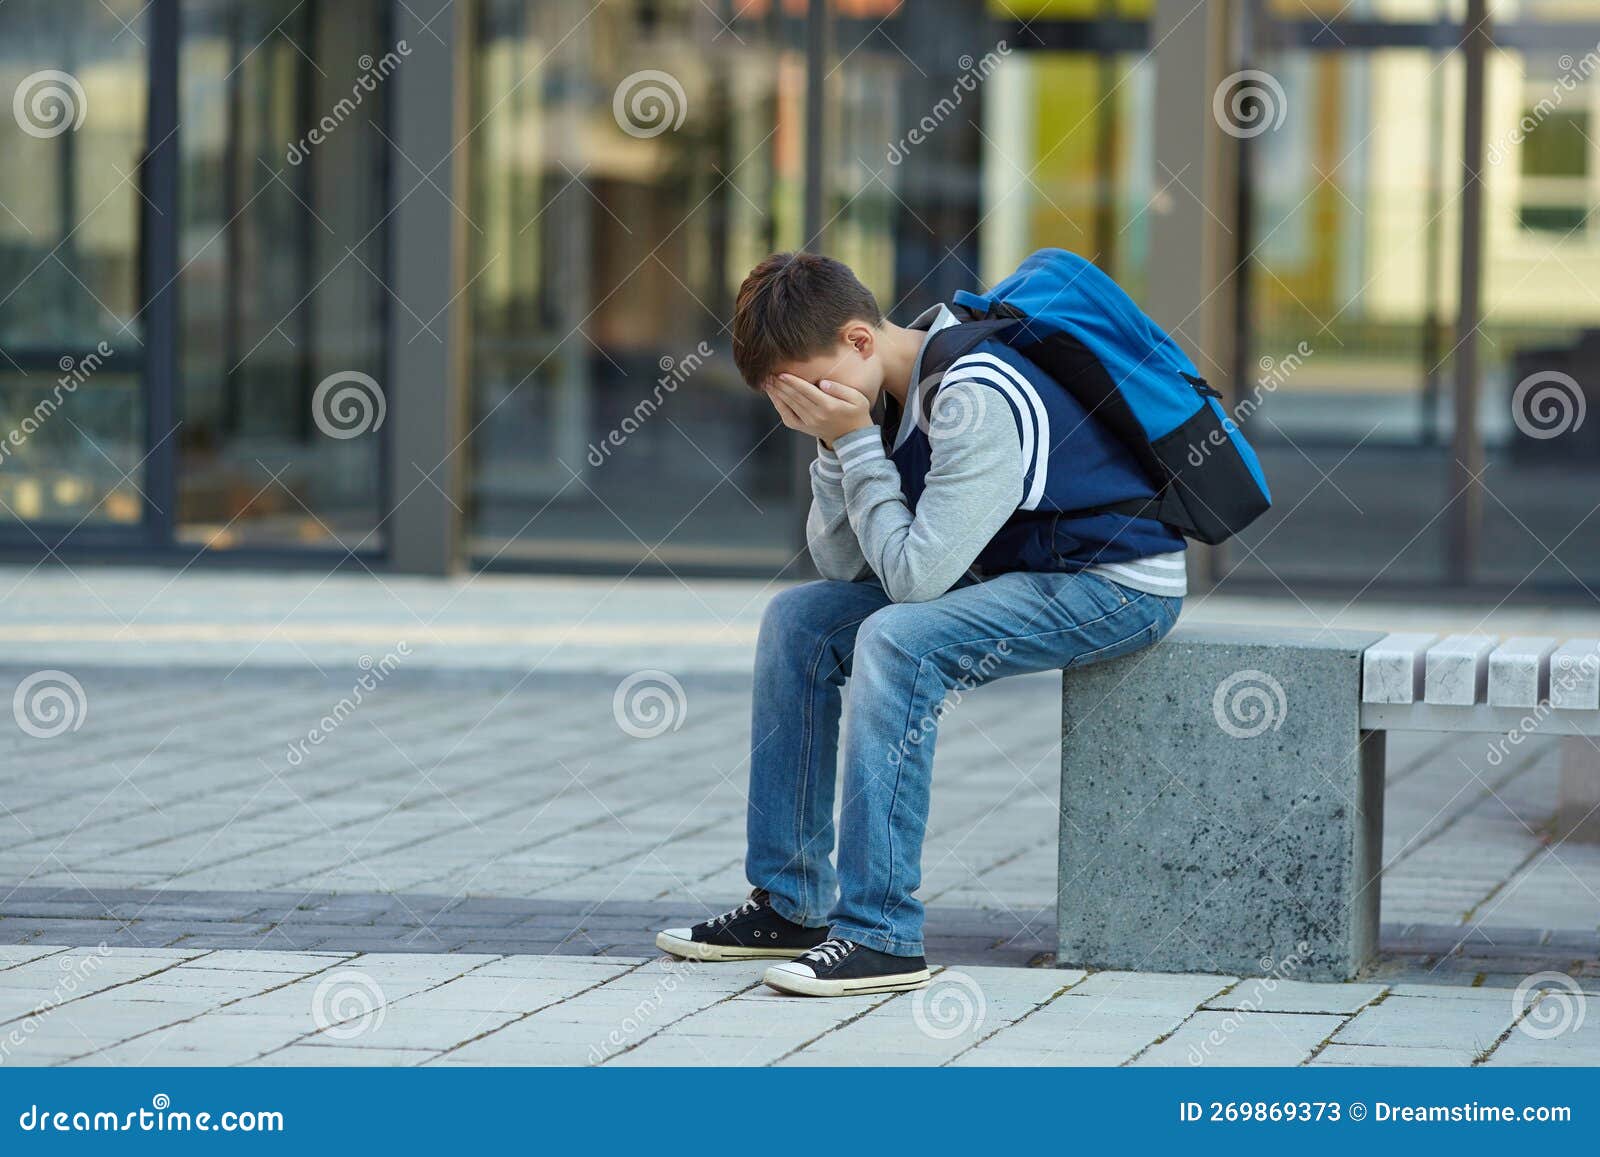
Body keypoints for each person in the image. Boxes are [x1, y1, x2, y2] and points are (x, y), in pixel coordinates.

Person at [656, 252, 1185, 996]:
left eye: (810, 388)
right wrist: (839, 446)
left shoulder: (974, 395)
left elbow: (912, 582)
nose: (806, 408)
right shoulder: (875, 398)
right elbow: (842, 566)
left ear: (860, 341)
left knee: (896, 642)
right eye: (789, 402)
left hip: (1113, 585)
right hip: (1013, 573)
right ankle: (791, 902)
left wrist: (856, 443)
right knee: (798, 622)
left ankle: (881, 933)